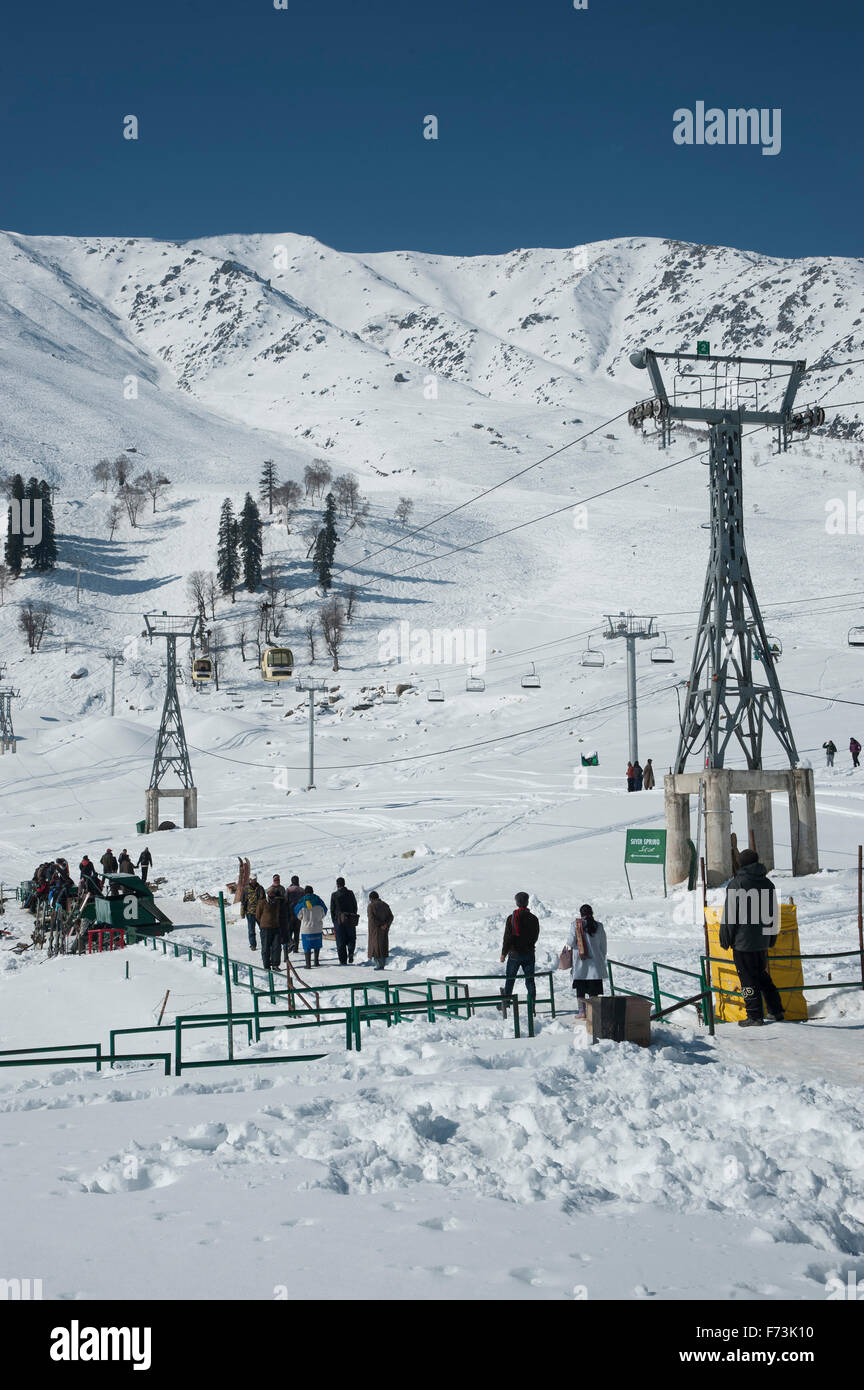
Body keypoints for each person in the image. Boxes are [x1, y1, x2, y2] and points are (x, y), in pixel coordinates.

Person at [719, 848, 784, 1028]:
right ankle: (776, 1010)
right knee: (762, 976)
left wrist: (725, 938)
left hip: (743, 942)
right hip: (762, 940)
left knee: (747, 978)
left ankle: (754, 1015)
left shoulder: (737, 884)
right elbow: (774, 914)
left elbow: (730, 915)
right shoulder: (768, 884)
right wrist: (771, 938)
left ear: (741, 864)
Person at [565, 904, 607, 1019]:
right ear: (592, 912)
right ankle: (593, 1011)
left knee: (580, 989)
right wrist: (601, 957)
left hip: (580, 963)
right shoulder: (599, 926)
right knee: (594, 991)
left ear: (581, 913)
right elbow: (603, 946)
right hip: (595, 963)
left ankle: (582, 1012)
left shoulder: (575, 925)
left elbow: (571, 942)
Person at [499, 891, 539, 1007]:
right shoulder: (534, 918)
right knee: (530, 981)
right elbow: (535, 936)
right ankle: (532, 1005)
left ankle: (505, 1003)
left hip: (514, 954)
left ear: (517, 902)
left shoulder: (512, 918)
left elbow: (508, 938)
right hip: (529, 953)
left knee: (510, 979)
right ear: (527, 902)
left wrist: (503, 953)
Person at [296, 886, 327, 968]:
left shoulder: (302, 902)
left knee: (307, 946)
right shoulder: (319, 901)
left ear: (305, 893)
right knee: (317, 945)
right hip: (317, 927)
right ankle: (316, 962)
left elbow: (298, 915)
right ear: (313, 892)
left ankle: (308, 964)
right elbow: (324, 912)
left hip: (306, 929)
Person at [330, 877, 359, 965]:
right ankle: (350, 952)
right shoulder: (350, 893)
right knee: (351, 938)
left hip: (339, 921)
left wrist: (334, 921)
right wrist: (352, 915)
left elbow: (332, 909)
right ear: (344, 884)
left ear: (337, 884)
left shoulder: (334, 895)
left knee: (340, 941)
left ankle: (343, 960)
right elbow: (355, 906)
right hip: (350, 919)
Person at [255, 885, 283, 972]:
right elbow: (257, 915)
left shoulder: (277, 902)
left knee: (277, 947)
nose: (272, 894)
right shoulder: (262, 902)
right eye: (270, 893)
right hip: (265, 928)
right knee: (266, 947)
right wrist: (263, 923)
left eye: (273, 893)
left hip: (276, 927)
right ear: (267, 894)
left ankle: (275, 964)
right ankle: (266, 966)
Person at [367, 890, 394, 970]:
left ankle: (379, 966)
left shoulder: (371, 906)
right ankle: (382, 965)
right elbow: (391, 916)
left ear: (371, 898)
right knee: (383, 947)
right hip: (384, 930)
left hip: (375, 930)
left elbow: (372, 919)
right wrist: (386, 924)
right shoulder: (385, 905)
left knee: (375, 948)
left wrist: (380, 925)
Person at [241, 873, 265, 951]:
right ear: (250, 880)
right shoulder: (246, 889)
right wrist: (242, 912)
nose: (254, 881)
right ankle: (253, 945)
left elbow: (264, 900)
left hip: (259, 912)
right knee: (251, 930)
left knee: (263, 929)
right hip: (250, 913)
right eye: (252, 879)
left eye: (255, 879)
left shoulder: (260, 888)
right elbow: (243, 901)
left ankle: (264, 943)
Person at [285, 876, 304, 952]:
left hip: (290, 913)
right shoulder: (302, 890)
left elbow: (285, 901)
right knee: (297, 931)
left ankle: (290, 943)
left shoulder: (289, 890)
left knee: (289, 931)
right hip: (299, 914)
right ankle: (296, 948)